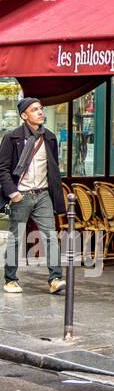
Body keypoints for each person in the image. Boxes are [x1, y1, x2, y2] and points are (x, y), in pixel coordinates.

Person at [0, 98, 66, 294]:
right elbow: (2, 168)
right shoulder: (12, 138)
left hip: (43, 194)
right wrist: (13, 193)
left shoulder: (50, 138)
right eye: (34, 109)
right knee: (16, 237)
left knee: (50, 237)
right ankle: (10, 279)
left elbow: (52, 169)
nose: (40, 112)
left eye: (41, 109)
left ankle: (55, 279)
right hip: (22, 196)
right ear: (24, 115)